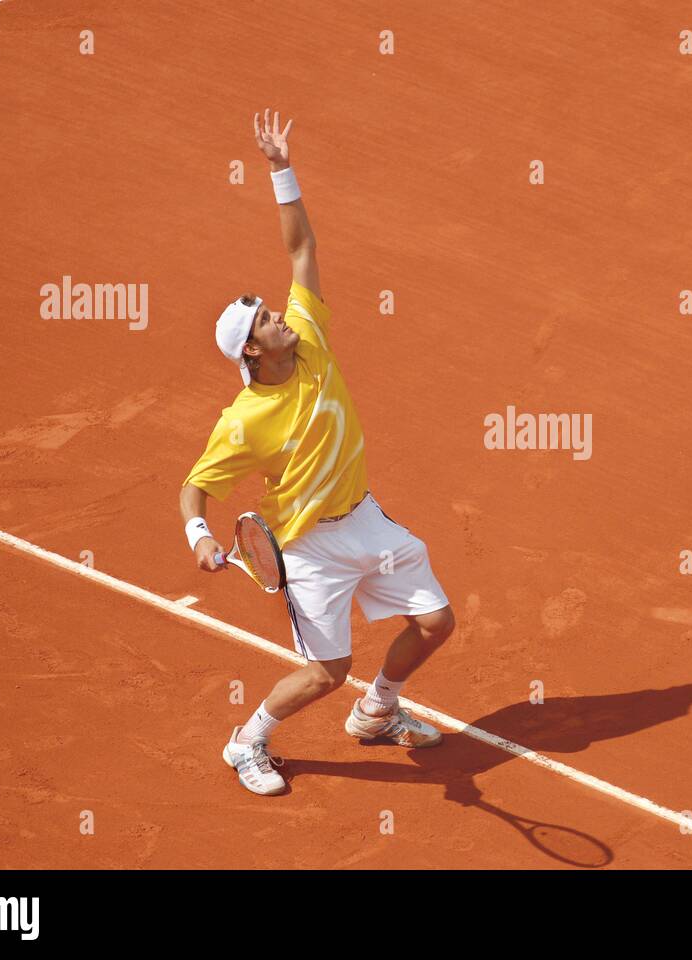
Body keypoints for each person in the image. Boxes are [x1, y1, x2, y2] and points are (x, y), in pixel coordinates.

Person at [178, 109, 455, 796]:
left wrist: (280, 169)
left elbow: (301, 248)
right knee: (326, 672)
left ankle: (379, 711)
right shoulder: (244, 421)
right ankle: (247, 743)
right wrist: (199, 535)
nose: (281, 316)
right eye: (267, 320)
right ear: (252, 350)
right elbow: (196, 486)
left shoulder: (310, 337)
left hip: (361, 516)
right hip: (307, 548)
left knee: (435, 621)